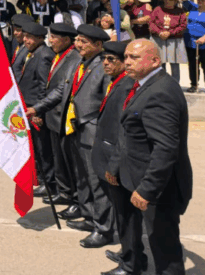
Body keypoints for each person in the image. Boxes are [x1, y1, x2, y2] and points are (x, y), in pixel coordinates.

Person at [35, 24, 114, 248]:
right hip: (72, 128)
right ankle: (89, 217)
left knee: (96, 183)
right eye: (77, 40)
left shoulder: (103, 66)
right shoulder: (79, 63)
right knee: (81, 178)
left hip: (90, 131)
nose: (78, 45)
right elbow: (62, 90)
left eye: (84, 42)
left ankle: (104, 229)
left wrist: (96, 127)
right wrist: (37, 108)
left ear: (98, 45)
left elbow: (108, 102)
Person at [119, 40, 193, 275]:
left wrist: (148, 189)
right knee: (161, 245)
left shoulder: (161, 92)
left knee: (166, 252)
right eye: (126, 56)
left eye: (134, 57)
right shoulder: (146, 84)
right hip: (148, 181)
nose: (127, 61)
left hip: (161, 189)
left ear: (154, 61)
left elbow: (166, 147)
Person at [91, 40, 147, 275]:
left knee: (128, 217)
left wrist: (113, 168)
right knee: (122, 215)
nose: (105, 62)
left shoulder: (126, 86)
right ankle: (129, 253)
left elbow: (122, 133)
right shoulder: (117, 82)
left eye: (111, 59)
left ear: (124, 62)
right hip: (110, 159)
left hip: (119, 164)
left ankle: (132, 264)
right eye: (104, 58)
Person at [26, 23, 80, 210]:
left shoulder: (74, 58)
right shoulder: (60, 55)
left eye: (54, 38)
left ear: (66, 40)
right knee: (57, 157)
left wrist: (38, 109)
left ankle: (72, 196)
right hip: (52, 114)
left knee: (66, 160)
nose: (50, 41)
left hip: (62, 116)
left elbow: (61, 88)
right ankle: (63, 191)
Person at [17, 22, 56, 197]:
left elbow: (43, 86)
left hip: (36, 109)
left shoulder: (44, 55)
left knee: (43, 148)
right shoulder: (31, 52)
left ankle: (48, 182)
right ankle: (40, 176)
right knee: (35, 146)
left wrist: (38, 111)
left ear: (40, 38)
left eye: (29, 37)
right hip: (28, 107)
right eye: (24, 36)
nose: (25, 40)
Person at [149, 0, 187, 83]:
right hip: (158, 39)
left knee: (174, 64)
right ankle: (161, 83)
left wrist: (170, 33)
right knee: (160, 63)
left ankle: (175, 84)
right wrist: (159, 32)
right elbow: (151, 23)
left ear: (175, 1)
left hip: (174, 40)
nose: (167, 1)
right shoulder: (157, 9)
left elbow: (183, 25)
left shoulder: (180, 11)